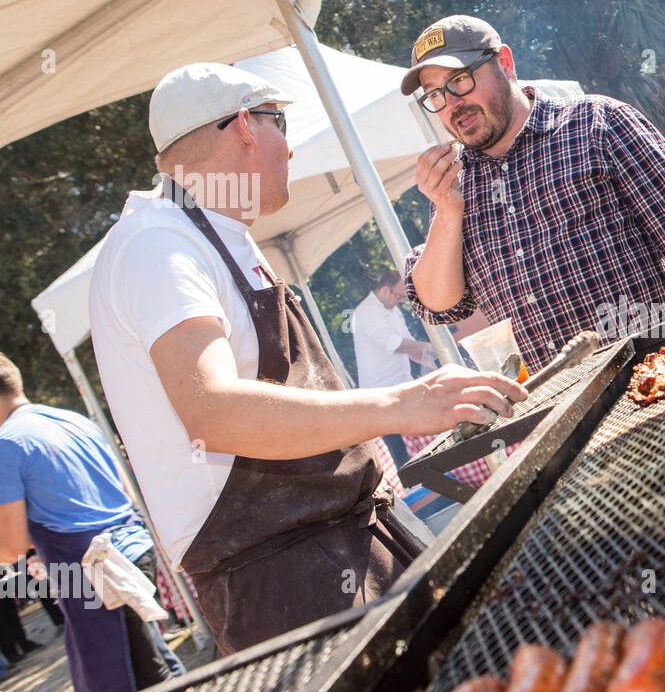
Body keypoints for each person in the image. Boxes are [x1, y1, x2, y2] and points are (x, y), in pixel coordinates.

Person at [89, 62, 527, 655]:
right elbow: (212, 411)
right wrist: (401, 403)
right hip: (280, 575)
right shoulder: (157, 244)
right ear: (246, 125)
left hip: (339, 538)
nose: (290, 150)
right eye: (282, 126)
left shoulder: (221, 237)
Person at [399, 16, 665, 368]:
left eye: (459, 80)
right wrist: (447, 210)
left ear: (505, 63)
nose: (452, 103)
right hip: (562, 405)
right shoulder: (454, 187)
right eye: (436, 94)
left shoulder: (599, 121)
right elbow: (442, 305)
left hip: (660, 366)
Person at [0, 353, 185, 692]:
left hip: (94, 574)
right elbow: (126, 493)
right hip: (135, 552)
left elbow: (11, 546)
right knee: (152, 656)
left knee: (134, 680)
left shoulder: (7, 444)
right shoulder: (76, 420)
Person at [351, 269, 438, 466]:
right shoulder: (365, 312)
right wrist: (424, 346)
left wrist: (432, 360)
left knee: (421, 437)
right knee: (401, 451)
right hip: (380, 393)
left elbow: (409, 344)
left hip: (402, 385)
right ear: (384, 290)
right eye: (398, 295)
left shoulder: (393, 310)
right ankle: (414, 489)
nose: (400, 300)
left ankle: (434, 475)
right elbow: (393, 344)